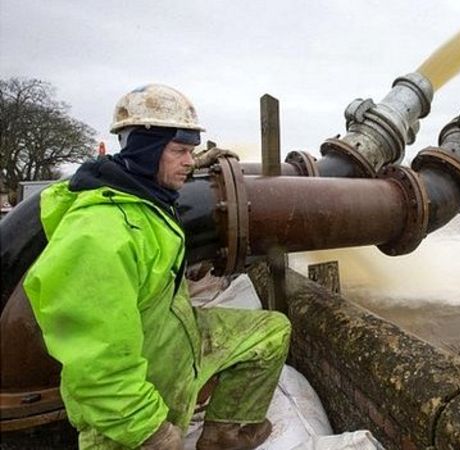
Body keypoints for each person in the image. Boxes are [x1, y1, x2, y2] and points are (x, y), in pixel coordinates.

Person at [23, 84, 291, 450]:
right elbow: (98, 362)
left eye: (192, 152)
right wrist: (148, 430)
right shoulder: (97, 236)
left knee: (271, 332)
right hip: (134, 398)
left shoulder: (145, 199)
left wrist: (181, 270)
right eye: (180, 151)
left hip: (177, 342)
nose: (188, 161)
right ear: (145, 152)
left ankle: (223, 436)